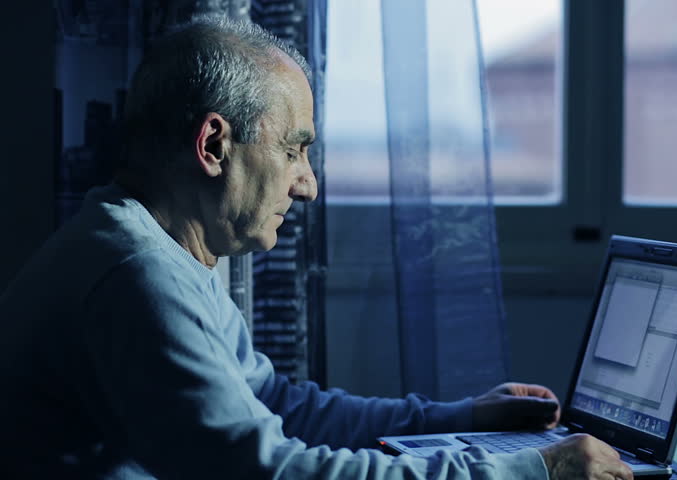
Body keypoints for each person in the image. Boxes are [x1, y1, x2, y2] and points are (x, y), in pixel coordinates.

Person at [0, 15, 632, 480]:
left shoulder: (153, 248)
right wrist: (528, 474)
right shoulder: (136, 276)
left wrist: (458, 416)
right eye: (294, 149)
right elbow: (272, 474)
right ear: (214, 146)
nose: (308, 184)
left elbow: (276, 406)